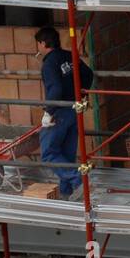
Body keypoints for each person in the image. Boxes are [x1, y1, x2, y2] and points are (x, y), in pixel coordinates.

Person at [35, 26, 93, 200]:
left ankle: (79, 181)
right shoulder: (70, 56)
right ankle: (67, 193)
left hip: (59, 113)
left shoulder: (49, 63)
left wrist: (48, 112)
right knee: (66, 155)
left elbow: (56, 88)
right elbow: (88, 74)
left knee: (48, 154)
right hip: (74, 110)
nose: (37, 48)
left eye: (38, 44)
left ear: (43, 43)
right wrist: (81, 94)